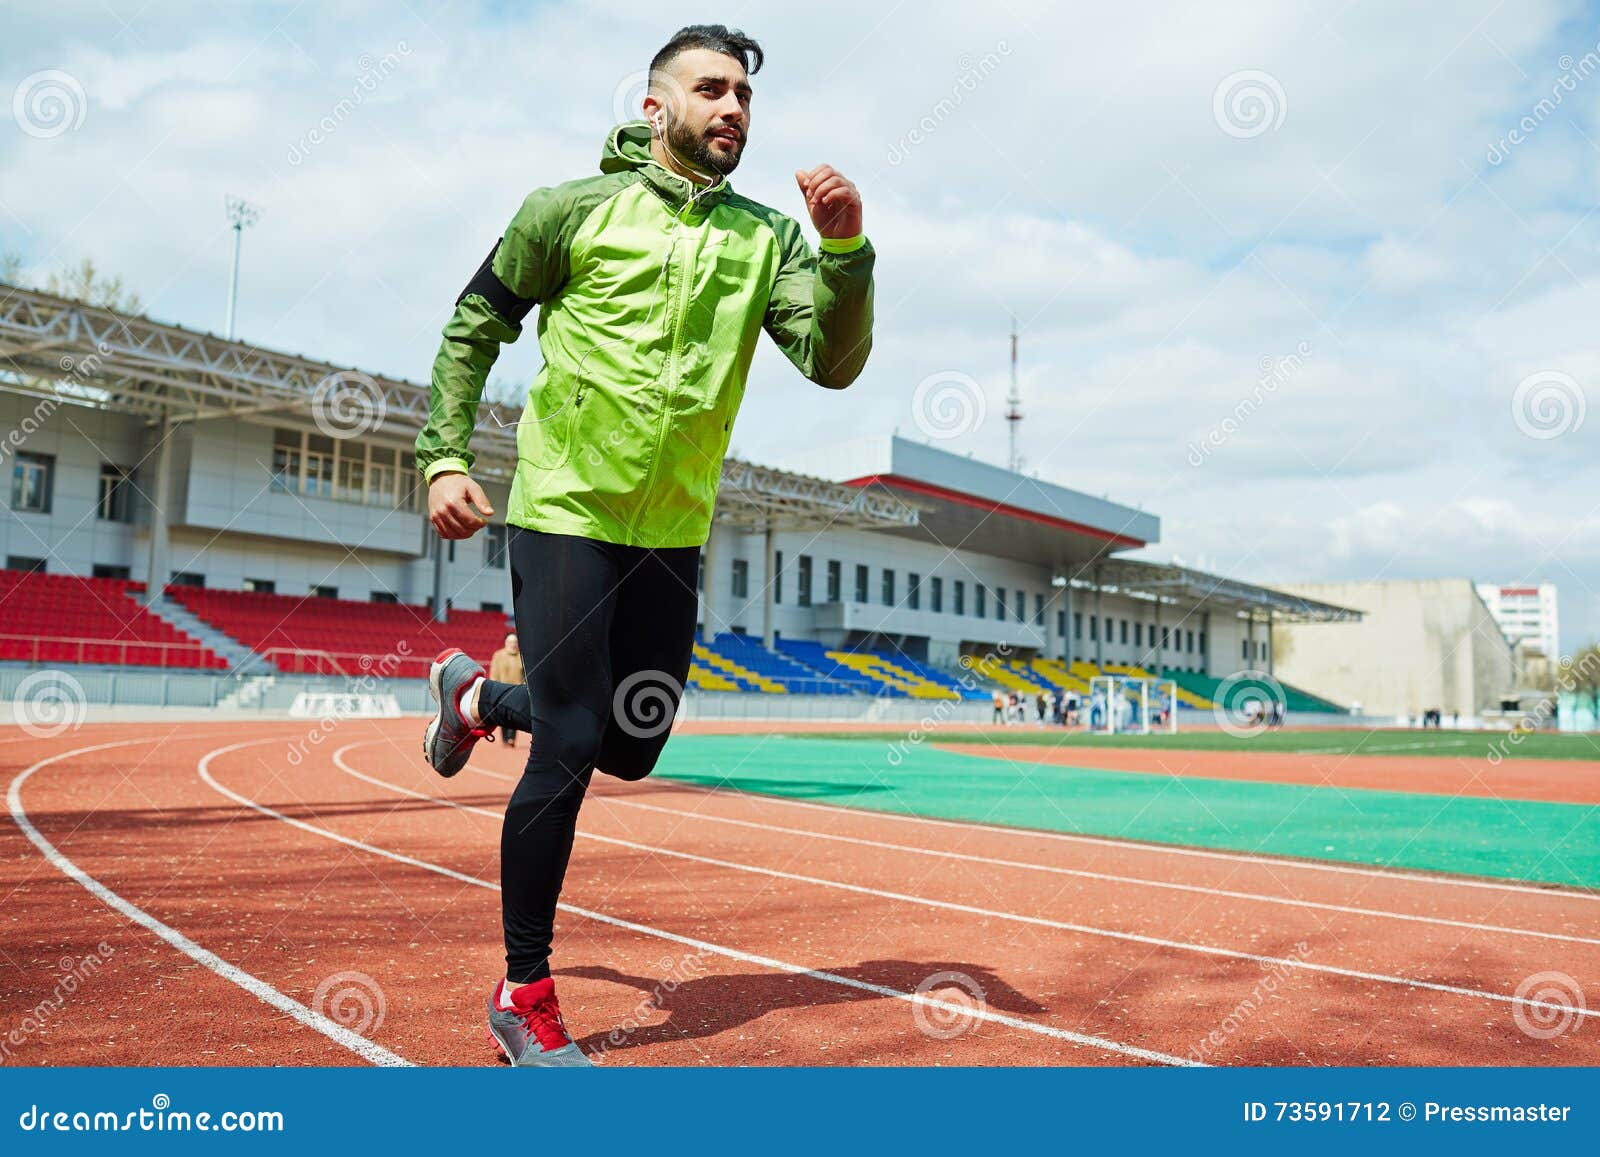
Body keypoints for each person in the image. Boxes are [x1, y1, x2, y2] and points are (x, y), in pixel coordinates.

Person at [416, 23, 875, 1068]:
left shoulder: (767, 237)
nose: (734, 110)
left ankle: (477, 696)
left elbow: (832, 364)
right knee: (574, 738)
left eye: (745, 97)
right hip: (566, 504)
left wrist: (845, 253)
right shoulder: (568, 211)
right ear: (653, 107)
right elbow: (472, 323)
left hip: (672, 528)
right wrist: (445, 454)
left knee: (629, 746)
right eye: (711, 90)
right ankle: (522, 993)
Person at [487, 632, 522, 747]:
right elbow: (494, 672)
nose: (513, 644)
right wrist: (494, 687)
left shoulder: (522, 656)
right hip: (502, 690)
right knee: (503, 715)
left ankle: (511, 738)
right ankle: (505, 738)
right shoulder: (498, 655)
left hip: (517, 690)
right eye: (510, 642)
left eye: (515, 642)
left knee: (514, 716)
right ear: (506, 643)